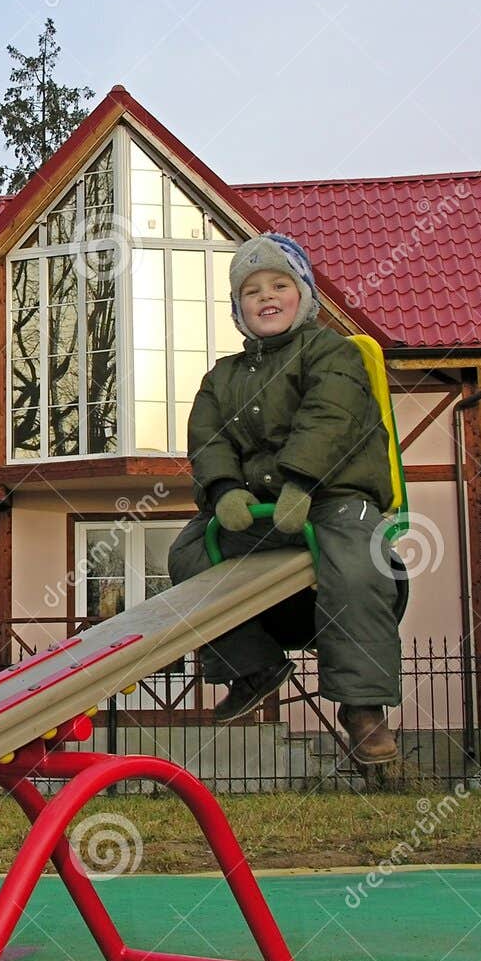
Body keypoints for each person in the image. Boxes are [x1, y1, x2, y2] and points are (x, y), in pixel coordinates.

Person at [167, 234, 401, 765]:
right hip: (263, 506)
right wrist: (224, 489)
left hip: (335, 494)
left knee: (355, 562)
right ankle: (255, 665)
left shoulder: (332, 352)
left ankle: (363, 709)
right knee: (189, 553)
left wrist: (302, 481)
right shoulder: (222, 377)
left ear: (305, 295)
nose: (266, 297)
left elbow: (331, 417)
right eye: (251, 291)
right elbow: (209, 437)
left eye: (280, 284)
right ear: (238, 308)